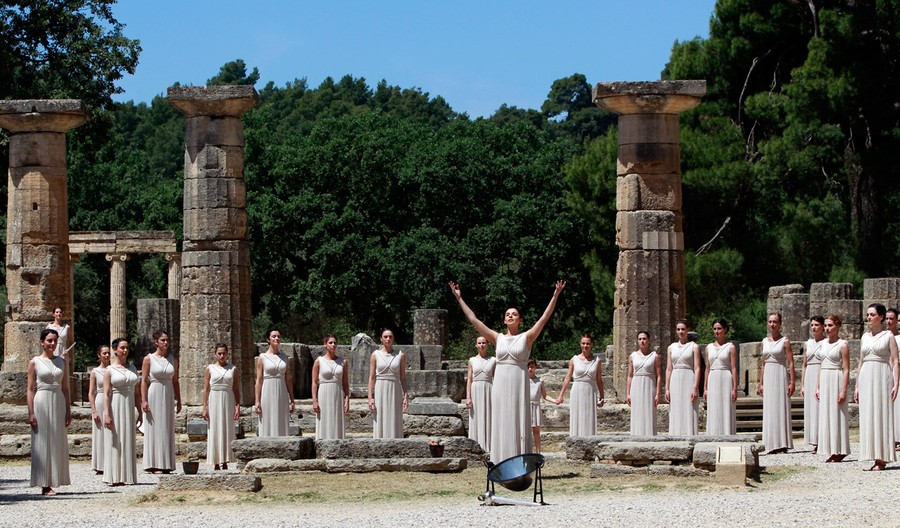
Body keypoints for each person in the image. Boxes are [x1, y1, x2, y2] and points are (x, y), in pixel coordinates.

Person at [449, 279, 566, 464]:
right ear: (504, 320)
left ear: (520, 320)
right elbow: (474, 320)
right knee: (502, 419)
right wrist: (459, 298)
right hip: (501, 386)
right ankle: (500, 460)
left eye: (514, 314)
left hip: (519, 385)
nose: (510, 316)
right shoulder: (497, 338)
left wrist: (555, 295)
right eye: (507, 314)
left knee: (518, 419)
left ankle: (520, 461)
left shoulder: (526, 337)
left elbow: (544, 319)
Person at [854, 303, 899, 470]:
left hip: (882, 376)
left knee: (881, 414)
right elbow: (860, 362)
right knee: (868, 415)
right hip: (866, 376)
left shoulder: (888, 336)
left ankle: (882, 459)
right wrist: (857, 385)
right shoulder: (864, 337)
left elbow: (895, 362)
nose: (869, 317)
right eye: (867, 314)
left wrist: (895, 384)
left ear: (881, 317)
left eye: (872, 314)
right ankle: (872, 454)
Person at [27, 328, 71, 496]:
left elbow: (66, 388)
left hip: (58, 400)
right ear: (42, 342)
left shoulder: (61, 361)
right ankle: (44, 483)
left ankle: (54, 479)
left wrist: (68, 410)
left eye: (54, 340)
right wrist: (31, 412)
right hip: (42, 401)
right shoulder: (35, 362)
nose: (52, 343)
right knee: (43, 441)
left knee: (57, 440)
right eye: (49, 341)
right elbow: (30, 389)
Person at [103, 338, 142, 486]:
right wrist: (107, 414)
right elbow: (106, 394)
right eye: (122, 348)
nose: (125, 351)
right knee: (115, 439)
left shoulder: (132, 369)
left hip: (129, 405)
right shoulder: (109, 370)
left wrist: (139, 410)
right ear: (115, 350)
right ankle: (113, 475)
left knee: (128, 438)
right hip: (116, 405)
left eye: (127, 348)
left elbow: (137, 393)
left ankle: (127, 474)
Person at [141, 329, 180, 473]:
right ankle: (153, 463)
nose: (166, 343)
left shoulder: (173, 360)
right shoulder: (149, 359)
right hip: (154, 392)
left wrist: (179, 399)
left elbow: (175, 380)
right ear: (156, 342)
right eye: (163, 340)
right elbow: (144, 381)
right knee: (154, 427)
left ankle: (166, 463)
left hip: (168, 393)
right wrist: (143, 400)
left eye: (167, 340)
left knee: (166, 426)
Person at [555, 333, 604, 437]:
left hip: (590, 391)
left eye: (587, 343)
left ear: (592, 345)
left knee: (589, 418)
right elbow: (568, 377)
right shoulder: (574, 360)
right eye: (583, 343)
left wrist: (602, 396)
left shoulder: (597, 360)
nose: (585, 346)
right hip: (577, 391)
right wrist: (561, 395)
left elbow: (599, 379)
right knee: (577, 417)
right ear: (580, 344)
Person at [759, 312, 795, 454]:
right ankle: (770, 442)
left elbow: (791, 363)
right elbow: (763, 363)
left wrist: (792, 382)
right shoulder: (764, 341)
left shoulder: (785, 341)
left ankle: (782, 443)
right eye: (770, 322)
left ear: (780, 324)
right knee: (769, 408)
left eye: (775, 322)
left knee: (781, 406)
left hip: (780, 373)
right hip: (768, 374)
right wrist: (761, 383)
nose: (772, 324)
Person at [816, 315, 850, 462]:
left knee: (838, 413)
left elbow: (847, 369)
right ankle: (830, 448)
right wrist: (817, 386)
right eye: (826, 326)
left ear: (837, 326)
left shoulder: (843, 344)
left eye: (830, 325)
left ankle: (840, 449)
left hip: (836, 377)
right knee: (826, 413)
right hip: (824, 378)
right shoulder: (822, 343)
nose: (827, 328)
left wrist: (843, 390)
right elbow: (820, 365)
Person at [202, 343, 240, 470]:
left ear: (227, 353)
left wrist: (237, 406)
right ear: (215, 354)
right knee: (215, 428)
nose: (222, 355)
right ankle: (216, 461)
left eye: (224, 353)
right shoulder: (210, 368)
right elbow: (206, 389)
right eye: (219, 353)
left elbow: (236, 389)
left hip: (228, 399)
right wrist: (204, 407)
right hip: (214, 399)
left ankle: (226, 460)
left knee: (227, 428)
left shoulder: (233, 369)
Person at [368, 328, 408, 438]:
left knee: (394, 415)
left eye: (390, 336)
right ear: (381, 339)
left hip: (395, 388)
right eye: (385, 337)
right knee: (380, 415)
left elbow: (403, 378)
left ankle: (396, 441)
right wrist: (370, 397)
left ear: (393, 338)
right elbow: (371, 378)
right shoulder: (375, 355)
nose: (388, 339)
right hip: (380, 388)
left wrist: (406, 396)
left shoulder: (400, 355)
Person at [255, 327, 294, 437]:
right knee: (268, 417)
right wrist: (257, 400)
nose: (276, 338)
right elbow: (259, 380)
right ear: (268, 339)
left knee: (281, 418)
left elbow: (288, 379)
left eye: (278, 336)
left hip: (281, 390)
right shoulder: (262, 358)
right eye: (274, 336)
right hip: (267, 390)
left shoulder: (284, 357)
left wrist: (292, 399)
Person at [665, 320, 701, 436]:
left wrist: (695, 387)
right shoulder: (671, 348)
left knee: (689, 406)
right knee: (676, 407)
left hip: (688, 377)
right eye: (678, 329)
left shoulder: (694, 347)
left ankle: (690, 434)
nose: (681, 332)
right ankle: (675, 435)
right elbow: (669, 368)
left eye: (683, 329)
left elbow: (697, 368)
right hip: (675, 378)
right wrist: (667, 388)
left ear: (687, 330)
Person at [312, 334, 350, 440]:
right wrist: (314, 400)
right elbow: (314, 382)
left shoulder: (343, 362)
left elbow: (346, 383)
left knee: (337, 418)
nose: (333, 345)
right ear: (325, 344)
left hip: (337, 392)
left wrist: (347, 400)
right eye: (330, 343)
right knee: (324, 418)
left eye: (334, 343)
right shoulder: (318, 361)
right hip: (324, 392)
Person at [705, 318, 738, 435]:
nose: (716, 331)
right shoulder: (709, 348)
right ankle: (713, 435)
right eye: (714, 329)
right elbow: (707, 368)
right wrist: (705, 388)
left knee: (726, 407)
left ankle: (727, 434)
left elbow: (734, 368)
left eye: (719, 328)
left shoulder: (731, 347)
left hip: (726, 377)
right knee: (714, 408)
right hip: (713, 378)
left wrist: (735, 388)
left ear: (725, 329)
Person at [626, 331, 660, 436]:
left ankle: (650, 435)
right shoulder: (633, 356)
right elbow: (630, 375)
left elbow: (658, 375)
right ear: (637, 341)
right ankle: (636, 434)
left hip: (649, 385)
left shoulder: (655, 356)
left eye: (644, 339)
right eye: (640, 339)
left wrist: (658, 393)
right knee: (637, 411)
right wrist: (628, 393)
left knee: (649, 411)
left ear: (648, 340)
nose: (642, 341)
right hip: (636, 385)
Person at [466, 335, 496, 451]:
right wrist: (468, 397)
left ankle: (489, 445)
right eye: (479, 343)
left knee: (489, 415)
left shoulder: (493, 360)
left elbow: (496, 378)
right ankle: (475, 445)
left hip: (489, 389)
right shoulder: (472, 360)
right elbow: (469, 379)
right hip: (475, 389)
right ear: (476, 345)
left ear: (487, 345)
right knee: (476, 416)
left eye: (484, 343)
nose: (481, 345)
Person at [801, 316, 825, 453]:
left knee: (820, 407)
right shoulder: (808, 343)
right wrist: (803, 384)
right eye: (812, 325)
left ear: (822, 327)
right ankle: (814, 439)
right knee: (811, 408)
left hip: (820, 373)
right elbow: (804, 364)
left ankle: (821, 440)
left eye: (817, 325)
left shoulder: (826, 342)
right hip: (810, 373)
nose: (814, 328)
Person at [88, 345, 111, 475]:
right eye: (104, 353)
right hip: (100, 399)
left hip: (111, 400)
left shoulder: (113, 369)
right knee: (100, 433)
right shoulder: (95, 372)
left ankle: (110, 462)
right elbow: (91, 393)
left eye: (108, 353)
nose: (107, 356)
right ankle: (100, 464)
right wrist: (94, 410)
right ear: (99, 355)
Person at [528, 358, 555, 452]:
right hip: (525, 407)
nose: (530, 369)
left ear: (535, 367)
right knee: (524, 431)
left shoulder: (540, 381)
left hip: (535, 406)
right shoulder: (522, 380)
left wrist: (555, 401)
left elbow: (545, 395)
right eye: (528, 367)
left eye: (532, 367)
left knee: (536, 431)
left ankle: (538, 452)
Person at [888, 308, 900, 451]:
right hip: (886, 374)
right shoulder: (884, 337)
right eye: (887, 318)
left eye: (892, 319)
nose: (889, 321)